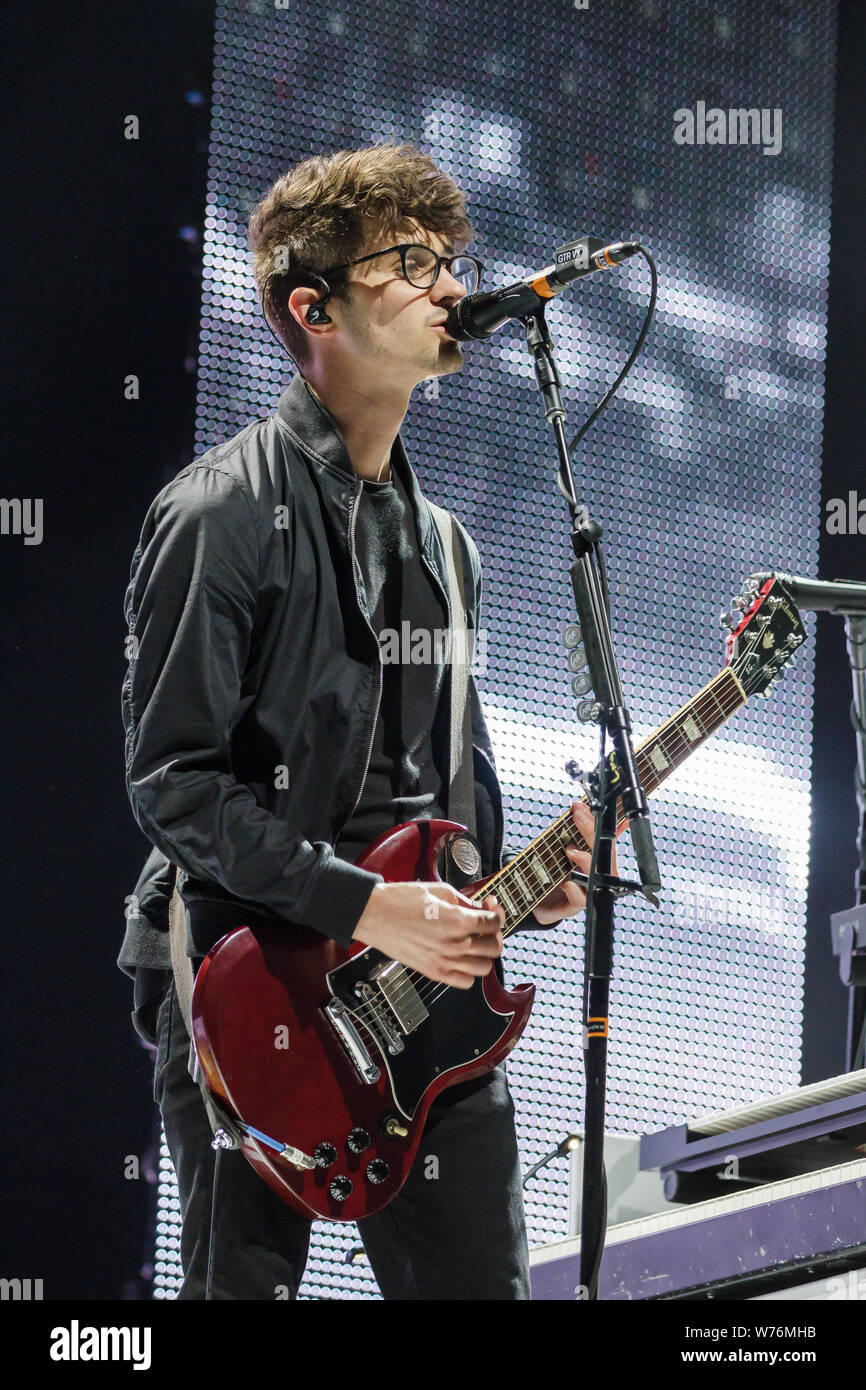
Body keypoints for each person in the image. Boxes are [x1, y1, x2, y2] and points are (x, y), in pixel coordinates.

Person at [119, 142, 612, 1300]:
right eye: (410, 262)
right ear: (314, 307)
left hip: (422, 1022)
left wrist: (510, 881)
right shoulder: (217, 516)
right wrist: (368, 905)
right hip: (255, 994)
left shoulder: (447, 547)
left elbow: (451, 792)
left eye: (452, 259)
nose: (451, 286)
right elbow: (175, 786)